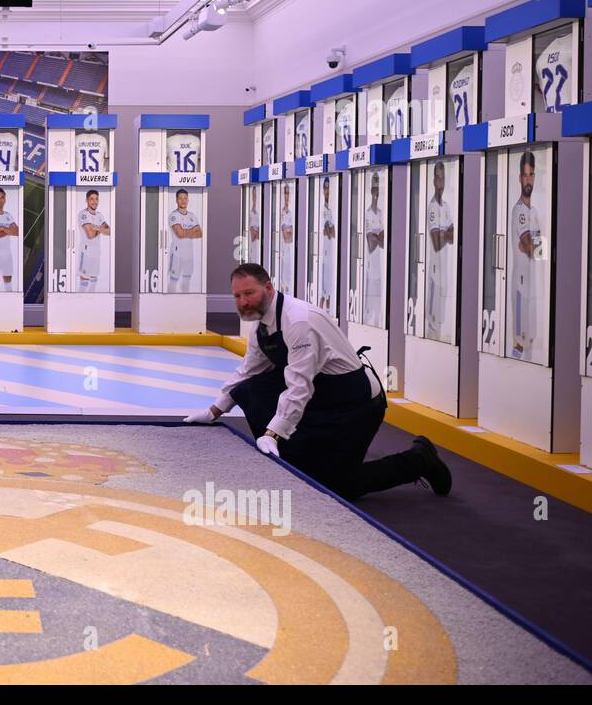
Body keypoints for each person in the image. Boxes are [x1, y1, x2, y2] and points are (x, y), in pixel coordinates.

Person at [185, 263, 451, 500]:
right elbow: (248, 371)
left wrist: (272, 433)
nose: (243, 302)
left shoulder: (298, 321)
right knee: (249, 389)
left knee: (339, 485)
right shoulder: (261, 326)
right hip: (321, 398)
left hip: (355, 405)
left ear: (268, 287)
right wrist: (213, 411)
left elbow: (300, 385)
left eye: (249, 293)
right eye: (237, 296)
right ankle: (293, 461)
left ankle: (419, 460)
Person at [509, 150, 540, 360]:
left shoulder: (535, 212)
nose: (528, 179)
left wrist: (535, 246)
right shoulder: (519, 210)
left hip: (533, 285)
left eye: (532, 174)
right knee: (520, 344)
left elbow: (538, 251)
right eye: (525, 175)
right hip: (521, 286)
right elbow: (531, 248)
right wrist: (535, 245)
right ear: (520, 178)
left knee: (531, 341)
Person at [426, 161, 455, 340]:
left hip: (445, 271)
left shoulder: (446, 207)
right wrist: (446, 234)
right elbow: (437, 242)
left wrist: (443, 233)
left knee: (442, 316)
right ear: (433, 180)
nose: (440, 181)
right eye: (438, 177)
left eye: (443, 178)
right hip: (435, 271)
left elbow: (453, 236)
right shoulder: (432, 207)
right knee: (434, 320)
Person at [362, 172, 385, 327]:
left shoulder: (382, 214)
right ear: (371, 191)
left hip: (381, 264)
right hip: (371, 266)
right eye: (374, 188)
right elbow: (371, 243)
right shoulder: (367, 214)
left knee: (379, 299)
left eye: (378, 188)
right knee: (371, 298)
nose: (376, 192)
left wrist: (377, 237)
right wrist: (378, 236)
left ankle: (378, 319)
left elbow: (383, 240)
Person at [167, 189, 200, 293]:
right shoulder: (173, 215)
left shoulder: (192, 216)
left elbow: (199, 233)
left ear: (188, 200)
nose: (183, 201)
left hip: (189, 254)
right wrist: (191, 231)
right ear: (176, 200)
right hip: (177, 254)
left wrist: (185, 231)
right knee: (173, 281)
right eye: (180, 198)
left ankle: (185, 304)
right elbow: (179, 234)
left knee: (187, 280)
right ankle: (170, 303)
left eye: (185, 198)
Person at [77, 189, 109, 292]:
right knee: (84, 282)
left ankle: (91, 305)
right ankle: (80, 304)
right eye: (92, 199)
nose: (94, 201)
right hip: (86, 253)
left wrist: (95, 227)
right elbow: (90, 234)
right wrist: (101, 228)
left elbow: (109, 231)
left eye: (96, 199)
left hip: (96, 253)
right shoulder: (83, 214)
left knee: (94, 282)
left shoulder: (99, 215)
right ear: (86, 200)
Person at [319, 176, 336, 312]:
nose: (327, 191)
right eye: (325, 188)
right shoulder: (321, 210)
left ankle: (328, 311)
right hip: (322, 252)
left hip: (330, 252)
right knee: (323, 284)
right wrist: (329, 230)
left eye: (329, 188)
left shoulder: (331, 210)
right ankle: (320, 309)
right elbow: (326, 231)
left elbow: (333, 233)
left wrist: (329, 230)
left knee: (329, 283)